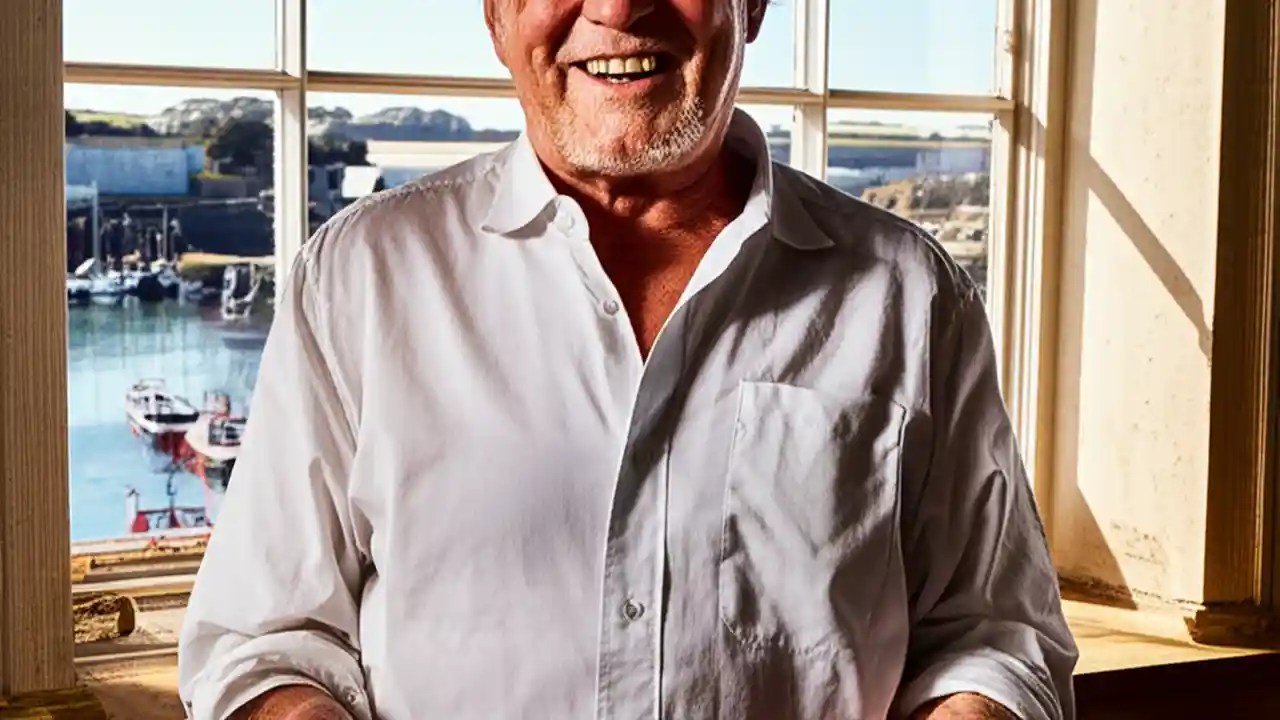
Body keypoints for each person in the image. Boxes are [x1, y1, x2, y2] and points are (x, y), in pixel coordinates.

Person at [178, 1, 1077, 719]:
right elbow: (261, 641)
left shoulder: (910, 294)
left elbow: (994, 637)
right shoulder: (361, 275)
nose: (617, 8)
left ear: (754, 5)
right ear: (494, 15)